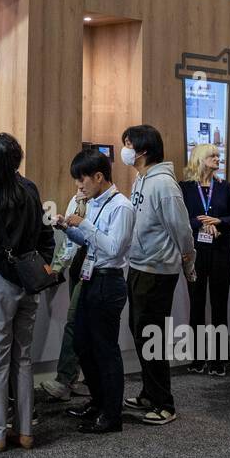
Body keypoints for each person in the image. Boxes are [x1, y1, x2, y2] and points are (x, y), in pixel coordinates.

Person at [0, 133, 53, 451]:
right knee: (24, 357)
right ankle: (26, 430)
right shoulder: (30, 189)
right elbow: (45, 233)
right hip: (29, 283)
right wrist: (32, 271)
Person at [56, 148, 134, 435]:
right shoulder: (97, 202)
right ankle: (98, 401)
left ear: (99, 177)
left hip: (108, 281)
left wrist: (84, 225)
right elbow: (91, 242)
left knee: (106, 350)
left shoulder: (121, 206)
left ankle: (112, 414)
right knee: (82, 345)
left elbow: (113, 248)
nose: (79, 186)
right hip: (90, 278)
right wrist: (69, 228)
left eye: (82, 180)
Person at [122, 124, 195, 426]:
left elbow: (182, 229)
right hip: (138, 265)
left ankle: (165, 403)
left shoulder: (164, 184)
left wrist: (189, 264)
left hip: (157, 270)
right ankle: (149, 392)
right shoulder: (142, 179)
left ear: (143, 150)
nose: (125, 149)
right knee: (139, 332)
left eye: (128, 144)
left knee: (151, 336)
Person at [179, 143, 230, 375]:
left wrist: (219, 222)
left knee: (219, 304)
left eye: (218, 155)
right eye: (212, 155)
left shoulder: (224, 187)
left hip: (221, 252)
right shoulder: (185, 188)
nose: (217, 158)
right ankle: (197, 357)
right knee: (196, 303)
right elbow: (180, 220)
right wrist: (201, 223)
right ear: (200, 159)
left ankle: (219, 358)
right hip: (194, 252)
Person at [41, 183, 90, 402]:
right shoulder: (76, 201)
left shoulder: (112, 204)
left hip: (97, 269)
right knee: (80, 324)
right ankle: (78, 379)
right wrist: (57, 267)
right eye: (77, 180)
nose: (80, 185)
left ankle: (65, 379)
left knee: (75, 321)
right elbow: (71, 242)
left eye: (84, 179)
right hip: (78, 267)